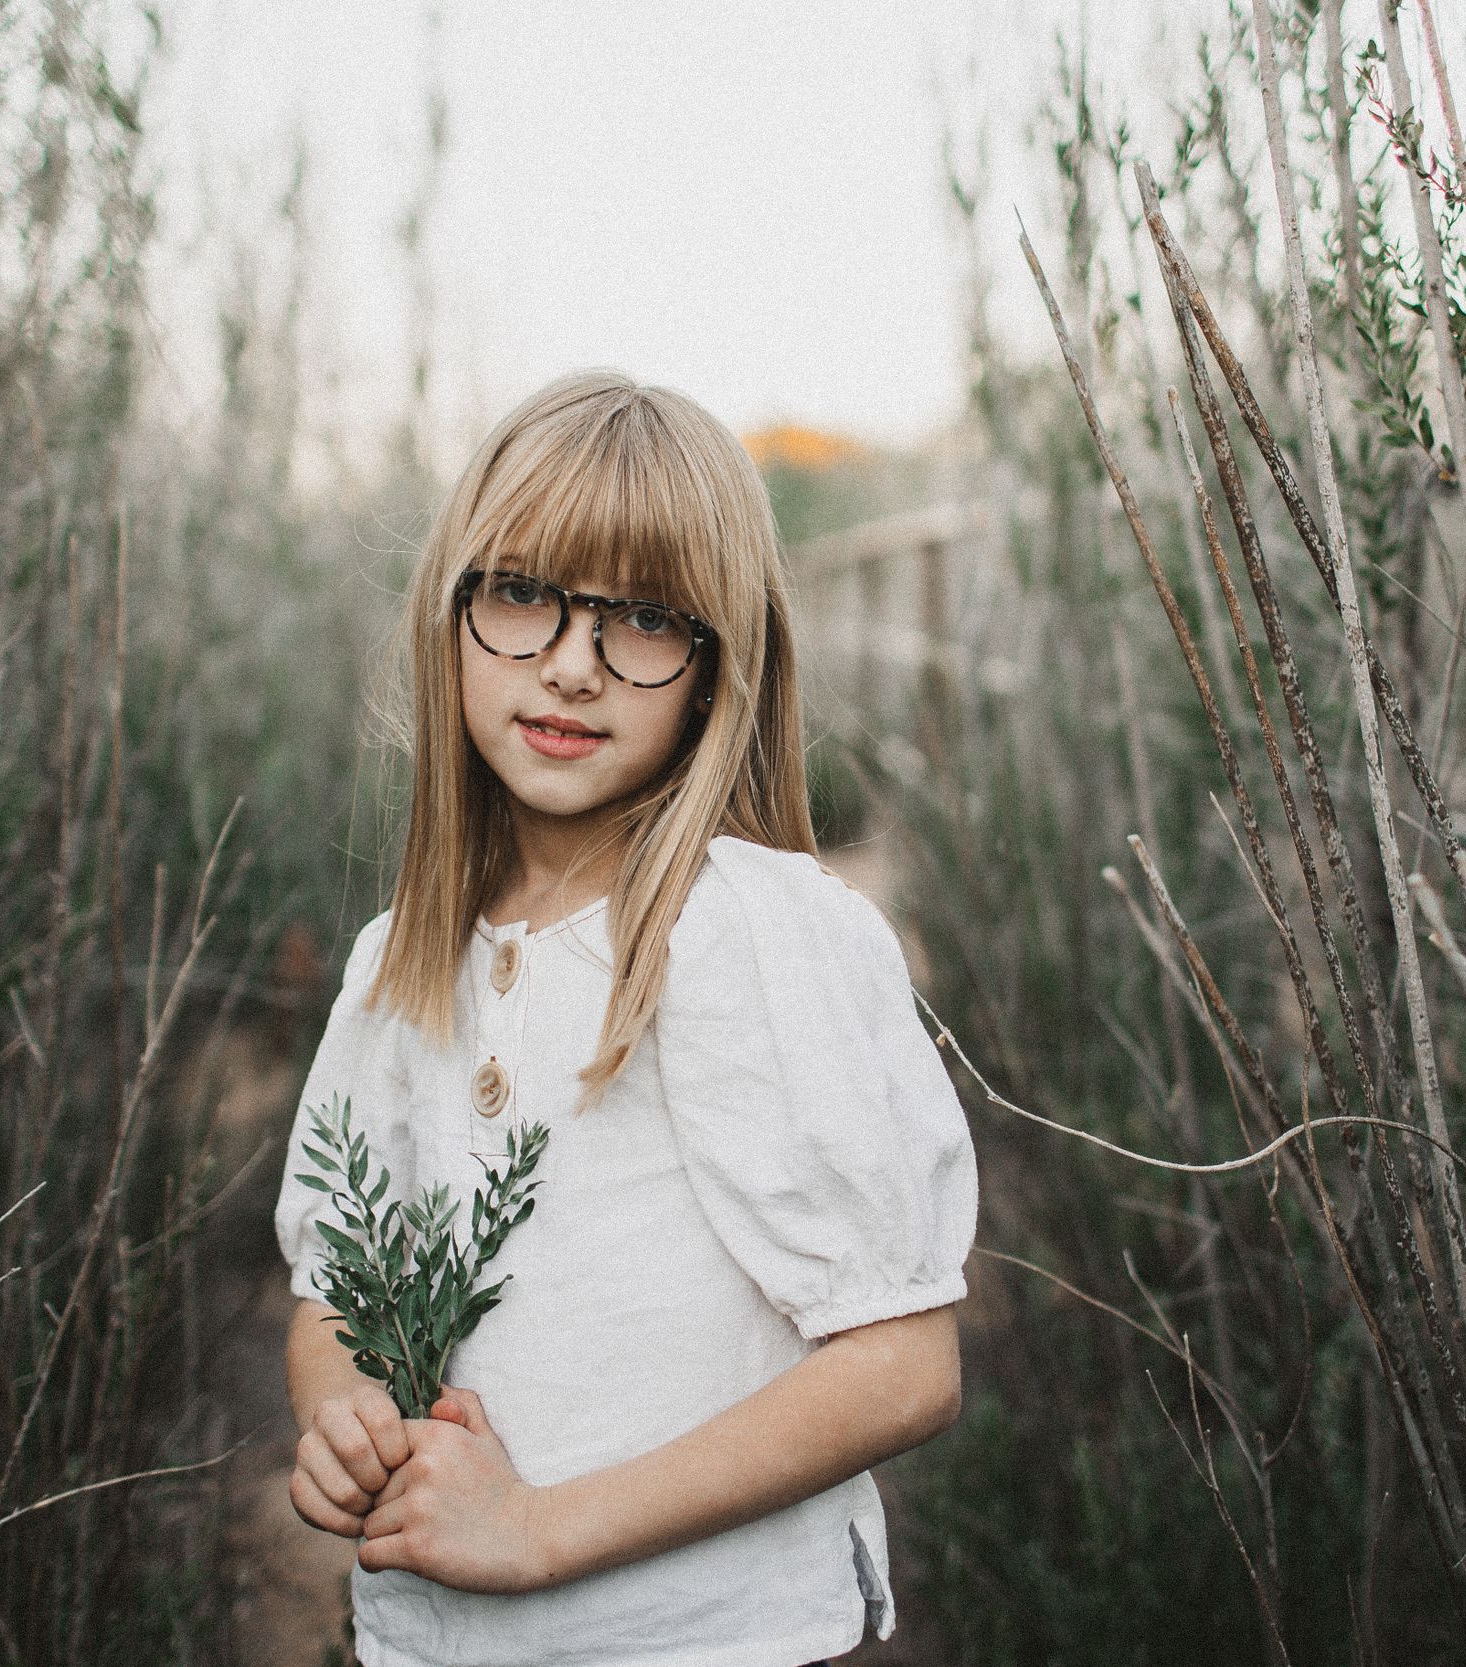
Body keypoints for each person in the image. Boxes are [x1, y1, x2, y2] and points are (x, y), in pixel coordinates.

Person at [272, 370, 980, 1667]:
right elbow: (332, 1291)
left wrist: (539, 1528)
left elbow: (902, 1363)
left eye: (647, 619)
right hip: (434, 1642)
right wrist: (346, 1422)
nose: (572, 665)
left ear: (716, 672)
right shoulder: (400, 960)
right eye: (523, 594)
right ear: (453, 614)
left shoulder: (749, 931)